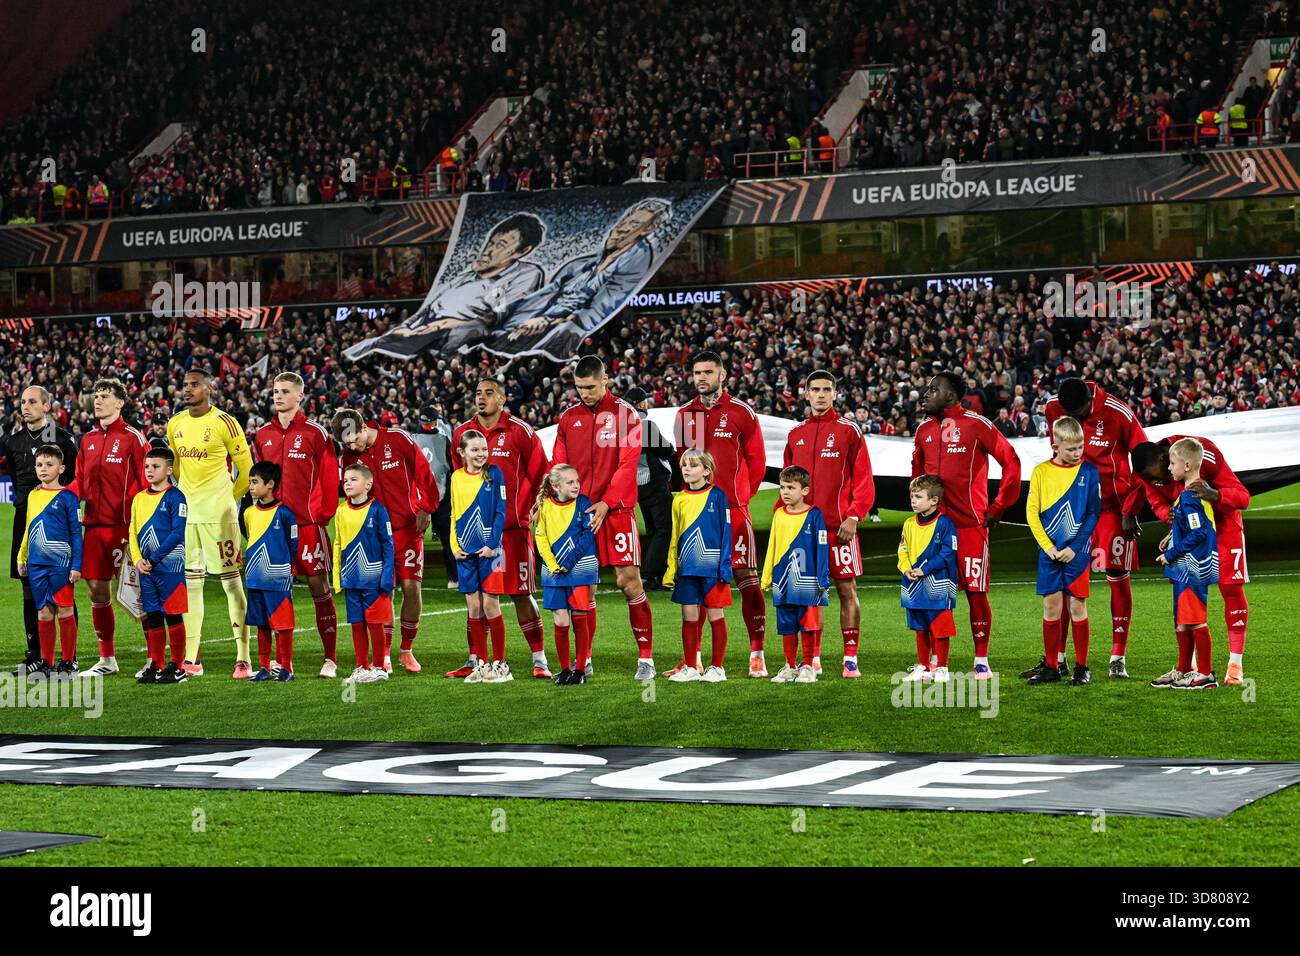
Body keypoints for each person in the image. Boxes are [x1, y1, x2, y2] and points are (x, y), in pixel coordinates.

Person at [911, 371, 1022, 677]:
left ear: (950, 396)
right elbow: (917, 474)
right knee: (931, 595)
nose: (926, 392)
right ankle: (932, 661)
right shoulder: (923, 431)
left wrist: (1000, 505)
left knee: (976, 592)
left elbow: (1011, 460)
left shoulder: (976, 425)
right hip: (933, 530)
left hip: (970, 526)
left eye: (933, 389)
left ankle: (981, 660)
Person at [551, 355, 655, 680]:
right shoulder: (569, 418)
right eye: (580, 388)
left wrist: (607, 503)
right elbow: (559, 463)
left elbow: (628, 464)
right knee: (585, 589)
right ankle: (586, 658)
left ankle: (646, 658)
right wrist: (561, 500)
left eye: (590, 387)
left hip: (617, 512)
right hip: (581, 513)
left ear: (605, 380)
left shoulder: (627, 415)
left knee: (629, 582)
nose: (585, 393)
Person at [1044, 377, 1148, 680]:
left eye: (1078, 413)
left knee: (1117, 577)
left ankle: (1118, 656)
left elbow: (1144, 460)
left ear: (1091, 398)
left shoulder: (1119, 413)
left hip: (1110, 511)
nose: (1074, 420)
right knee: (1064, 583)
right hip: (1070, 512)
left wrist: (1130, 509)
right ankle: (1059, 658)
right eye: (1068, 416)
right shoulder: (1054, 407)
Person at [671, 351, 768, 677]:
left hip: (733, 513)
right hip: (697, 515)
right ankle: (694, 658)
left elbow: (757, 462)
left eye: (708, 372)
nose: (701, 378)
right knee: (696, 584)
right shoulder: (686, 415)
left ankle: (757, 652)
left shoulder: (741, 412)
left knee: (746, 579)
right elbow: (684, 462)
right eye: (697, 372)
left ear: (722, 375)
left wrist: (741, 497)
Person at [450, 379, 551, 678]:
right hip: (474, 536)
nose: (482, 399)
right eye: (478, 394)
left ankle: (539, 659)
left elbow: (540, 472)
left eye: (489, 393)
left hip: (512, 531)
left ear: (503, 398)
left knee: (521, 593)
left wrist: (531, 507)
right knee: (477, 597)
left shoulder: (520, 430)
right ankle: (476, 661)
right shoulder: (463, 433)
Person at [1132, 435, 1249, 684]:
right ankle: (1189, 666)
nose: (1156, 483)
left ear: (1169, 460)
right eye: (1149, 481)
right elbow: (1157, 504)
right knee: (1183, 598)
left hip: (1224, 528)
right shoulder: (1150, 472)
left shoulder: (1202, 453)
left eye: (1159, 475)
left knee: (1230, 589)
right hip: (1190, 537)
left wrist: (1215, 495)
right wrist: (1171, 518)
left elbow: (1242, 497)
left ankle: (1234, 664)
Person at [782, 369, 876, 678]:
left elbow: (863, 478)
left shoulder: (849, 430)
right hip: (803, 530)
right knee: (809, 593)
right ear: (806, 395)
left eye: (826, 390)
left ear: (834, 394)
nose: (821, 395)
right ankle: (814, 658)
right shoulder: (796, 435)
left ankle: (850, 658)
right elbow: (787, 481)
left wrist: (853, 515)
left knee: (847, 589)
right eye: (815, 390)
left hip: (839, 529)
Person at [332, 409, 438, 674]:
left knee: (412, 587)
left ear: (363, 427)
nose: (352, 446)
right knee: (384, 591)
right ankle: (386, 654)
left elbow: (424, 473)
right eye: (346, 444)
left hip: (407, 528)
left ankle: (407, 650)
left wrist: (427, 506)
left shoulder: (398, 439)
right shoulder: (350, 456)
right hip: (375, 535)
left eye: (354, 439)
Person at [166, 368, 253, 678]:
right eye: (184, 384)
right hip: (189, 518)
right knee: (191, 586)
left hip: (220, 517)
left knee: (230, 583)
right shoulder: (174, 424)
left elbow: (246, 469)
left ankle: (243, 657)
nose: (187, 389)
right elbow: (174, 470)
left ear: (209, 388)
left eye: (194, 385)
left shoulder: (225, 423)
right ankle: (192, 658)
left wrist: (230, 500)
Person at [254, 372, 340, 677]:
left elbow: (330, 477)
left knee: (320, 588)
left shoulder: (316, 433)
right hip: (273, 528)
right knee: (276, 591)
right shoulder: (263, 434)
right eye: (275, 391)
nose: (278, 396)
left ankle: (330, 658)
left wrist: (321, 517)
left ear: (299, 396)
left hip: (307, 525)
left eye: (285, 391)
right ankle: (280, 660)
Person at [74, 378, 149, 679]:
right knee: (95, 589)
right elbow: (78, 481)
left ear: (120, 402)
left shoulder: (133, 438)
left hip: (125, 527)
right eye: (96, 396)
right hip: (93, 527)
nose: (98, 400)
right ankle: (107, 659)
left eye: (105, 396)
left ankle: (154, 656)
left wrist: (143, 524)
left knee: (138, 591)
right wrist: (57, 495)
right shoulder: (88, 440)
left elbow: (147, 483)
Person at [2, 385, 77, 676]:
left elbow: (71, 479)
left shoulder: (61, 439)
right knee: (28, 589)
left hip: (55, 521)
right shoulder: (13, 441)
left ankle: (68, 658)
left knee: (62, 590)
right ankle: (35, 654)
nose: (25, 406)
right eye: (22, 402)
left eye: (32, 402)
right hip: (25, 518)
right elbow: (13, 473)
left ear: (46, 406)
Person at [1022, 417, 1101, 686]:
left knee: (1077, 605)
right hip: (1050, 553)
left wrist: (1074, 548)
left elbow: (1093, 513)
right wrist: (1049, 548)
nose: (1077, 453)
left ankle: (1082, 667)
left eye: (1081, 447)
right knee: (1051, 606)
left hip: (1076, 554)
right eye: (1071, 449)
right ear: (1055, 445)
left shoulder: (1089, 472)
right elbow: (1032, 513)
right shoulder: (1041, 472)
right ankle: (1053, 666)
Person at [1151, 439, 1221, 691]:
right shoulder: (1190, 492)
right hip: (1185, 567)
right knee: (1182, 620)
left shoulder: (1191, 495)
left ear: (1188, 465)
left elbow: (1199, 532)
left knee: (1195, 620)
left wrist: (1171, 554)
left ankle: (1205, 674)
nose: (1169, 468)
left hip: (1193, 566)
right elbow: (1191, 528)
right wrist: (1170, 538)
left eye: (1172, 462)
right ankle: (1183, 671)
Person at [663, 449, 733, 683]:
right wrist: (671, 567)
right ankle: (692, 667)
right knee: (688, 616)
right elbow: (674, 535)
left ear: (706, 471)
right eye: (684, 465)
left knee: (715, 615)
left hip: (712, 569)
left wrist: (725, 566)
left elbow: (726, 532)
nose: (686, 469)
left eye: (692, 466)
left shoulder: (718, 496)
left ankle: (718, 668)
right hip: (688, 569)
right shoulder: (679, 499)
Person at [15, 444, 82, 679]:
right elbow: (29, 527)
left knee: (64, 610)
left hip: (60, 564)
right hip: (36, 564)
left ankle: (68, 662)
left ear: (61, 468)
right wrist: (21, 555)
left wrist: (76, 565)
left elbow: (76, 533)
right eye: (39, 465)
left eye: (49, 464)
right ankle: (46, 662)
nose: (43, 469)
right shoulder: (33, 495)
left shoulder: (68, 497)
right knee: (43, 612)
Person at [450, 430, 510, 684]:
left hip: (493, 552)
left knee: (490, 605)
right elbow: (454, 514)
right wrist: (454, 546)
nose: (481, 454)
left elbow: (500, 511)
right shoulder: (456, 477)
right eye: (474, 450)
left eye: (484, 449)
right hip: (465, 554)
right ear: (462, 453)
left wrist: (492, 544)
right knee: (474, 608)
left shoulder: (495, 474)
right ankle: (482, 664)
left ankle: (500, 664)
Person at [761, 466, 830, 685]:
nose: (785, 492)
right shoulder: (779, 514)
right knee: (787, 625)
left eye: (791, 487)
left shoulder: (814, 515)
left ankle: (807, 665)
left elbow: (822, 547)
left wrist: (822, 577)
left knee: (808, 623)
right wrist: (766, 576)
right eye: (782, 487)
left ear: (805, 490)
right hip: (782, 579)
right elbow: (772, 544)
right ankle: (790, 666)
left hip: (808, 581)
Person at [533, 463, 599, 686]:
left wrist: (568, 562)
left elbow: (588, 535)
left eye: (577, 481)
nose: (576, 485)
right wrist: (552, 565)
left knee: (580, 618)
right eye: (570, 482)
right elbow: (540, 538)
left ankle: (580, 669)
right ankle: (564, 669)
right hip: (554, 572)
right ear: (555, 485)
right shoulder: (545, 506)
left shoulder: (584, 503)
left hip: (580, 569)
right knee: (560, 620)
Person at [130, 447, 189, 685]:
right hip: (146, 569)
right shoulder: (139, 498)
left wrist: (152, 560)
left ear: (168, 469)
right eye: (147, 467)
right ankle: (157, 664)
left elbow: (177, 534)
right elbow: (132, 531)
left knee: (173, 616)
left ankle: (177, 666)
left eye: (155, 467)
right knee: (153, 616)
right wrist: (137, 560)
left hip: (169, 568)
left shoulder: (176, 497)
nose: (150, 471)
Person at [332, 463, 394, 685]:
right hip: (351, 578)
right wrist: (337, 577)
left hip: (374, 579)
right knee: (357, 624)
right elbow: (338, 542)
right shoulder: (341, 510)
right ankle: (361, 666)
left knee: (375, 623)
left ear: (368, 484)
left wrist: (387, 576)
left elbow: (388, 544)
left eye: (353, 479)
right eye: (345, 479)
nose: (347, 483)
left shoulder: (378, 510)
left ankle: (379, 666)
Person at [896, 474, 958, 684]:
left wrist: (925, 569)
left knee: (940, 628)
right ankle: (923, 667)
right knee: (920, 628)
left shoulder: (945, 523)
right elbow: (902, 550)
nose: (913, 500)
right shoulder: (908, 524)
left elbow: (948, 552)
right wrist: (906, 569)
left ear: (934, 500)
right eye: (912, 496)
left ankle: (942, 667)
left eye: (919, 496)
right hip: (912, 584)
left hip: (938, 583)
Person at [242, 461, 298, 683]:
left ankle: (286, 667)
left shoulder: (285, 513)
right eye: (250, 482)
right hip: (255, 578)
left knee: (283, 625)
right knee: (261, 624)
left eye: (255, 482)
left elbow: (293, 544)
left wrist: (286, 569)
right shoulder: (248, 513)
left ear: (270, 484)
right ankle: (264, 668)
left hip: (278, 577)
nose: (251, 487)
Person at [624, 387, 673, 592]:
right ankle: (651, 575)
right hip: (655, 483)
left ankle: (649, 574)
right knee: (664, 529)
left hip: (637, 485)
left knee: (653, 529)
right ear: (642, 403)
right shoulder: (646, 425)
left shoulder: (622, 426)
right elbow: (667, 450)